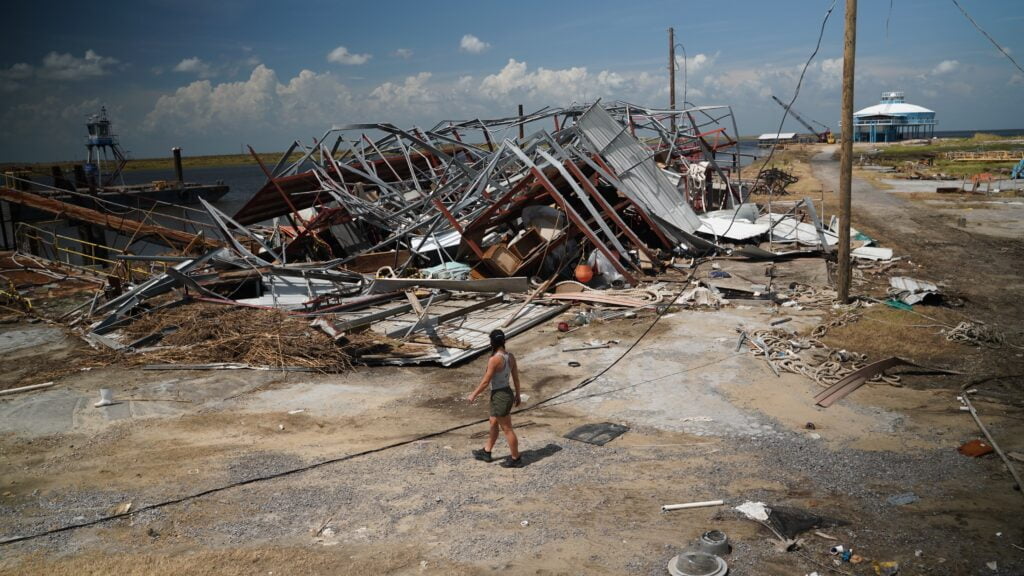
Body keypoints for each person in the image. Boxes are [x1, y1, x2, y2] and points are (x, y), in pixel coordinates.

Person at [467, 329, 522, 468]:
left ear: (492, 342)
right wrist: (517, 394)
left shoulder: (494, 359)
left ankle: (516, 458)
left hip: (500, 396)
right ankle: (487, 451)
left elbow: (486, 382)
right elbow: (516, 378)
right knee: (493, 422)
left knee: (507, 429)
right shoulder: (511, 357)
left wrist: (473, 394)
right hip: (506, 392)